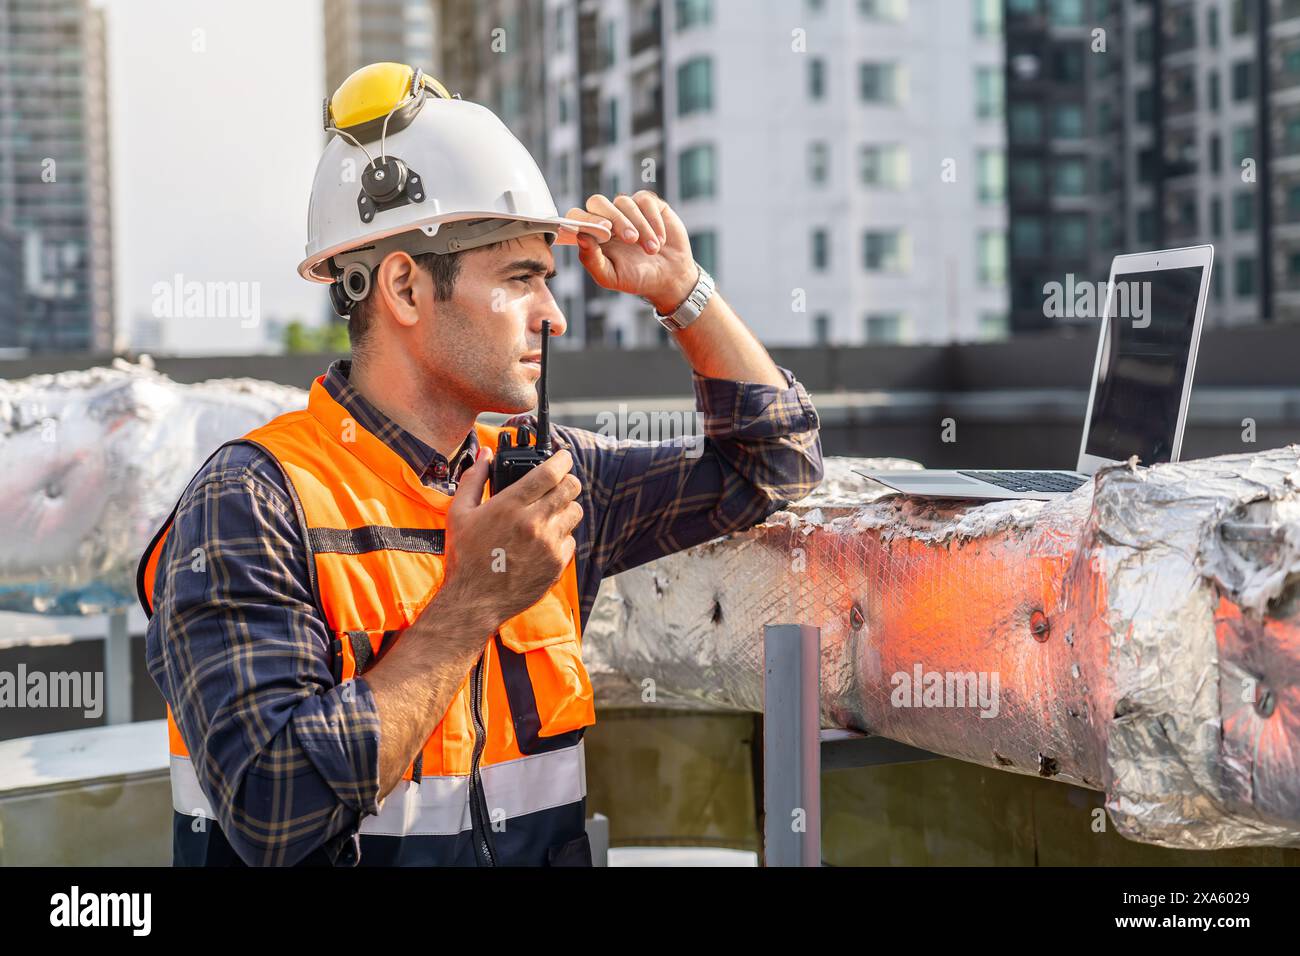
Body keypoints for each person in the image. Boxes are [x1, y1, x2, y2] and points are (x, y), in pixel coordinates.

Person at [138, 63, 823, 866]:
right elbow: (272, 804)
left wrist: (683, 291)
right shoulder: (252, 503)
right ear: (403, 286)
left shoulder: (544, 481)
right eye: (521, 279)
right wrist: (477, 597)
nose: (555, 314)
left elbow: (772, 461)